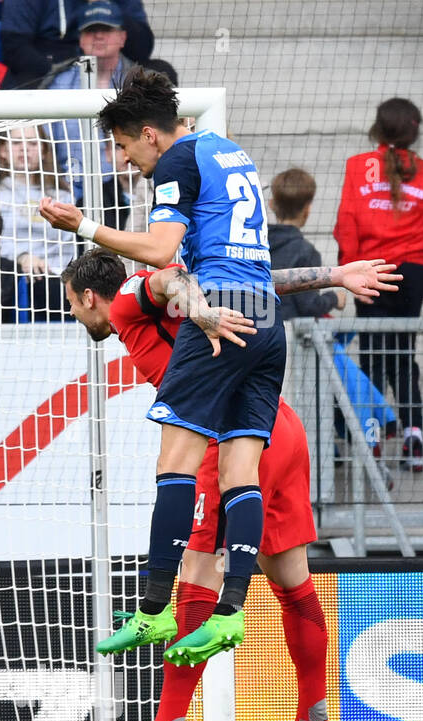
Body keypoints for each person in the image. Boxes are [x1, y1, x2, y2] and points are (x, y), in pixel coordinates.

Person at [60, 250, 400, 721]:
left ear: (88, 297)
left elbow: (170, 275)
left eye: (72, 305)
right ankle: (313, 719)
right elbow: (252, 284)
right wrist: (333, 275)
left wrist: (90, 231)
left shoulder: (133, 300)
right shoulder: (172, 305)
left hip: (229, 441)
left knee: (195, 575)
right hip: (277, 428)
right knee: (292, 582)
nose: (76, 316)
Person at [39, 68, 286, 667]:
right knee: (240, 472)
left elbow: (159, 252)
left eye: (123, 147)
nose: (124, 162)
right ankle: (231, 613)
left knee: (173, 464)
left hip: (220, 315)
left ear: (148, 134)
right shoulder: (228, 149)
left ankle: (153, 610)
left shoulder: (178, 160)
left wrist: (84, 227)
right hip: (267, 317)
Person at [334, 97, 423, 473]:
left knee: (372, 354)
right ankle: (414, 434)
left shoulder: (358, 166)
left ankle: (370, 437)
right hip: (413, 273)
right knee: (403, 353)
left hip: (370, 270)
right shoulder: (421, 169)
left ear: (379, 127)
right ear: (413, 131)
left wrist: (348, 273)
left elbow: (347, 221)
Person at [0, 125, 76, 321]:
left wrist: (50, 270)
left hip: (54, 279)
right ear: (2, 151)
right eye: (17, 142)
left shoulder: (63, 197)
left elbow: (68, 248)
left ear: (44, 151)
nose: (24, 148)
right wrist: (21, 258)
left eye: (33, 143)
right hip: (3, 276)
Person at [47, 3, 137, 226]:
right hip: (68, 192)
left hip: (129, 192)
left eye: (106, 30)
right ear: (80, 39)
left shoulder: (139, 82)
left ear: (123, 37)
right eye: (90, 30)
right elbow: (45, 145)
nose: (98, 36)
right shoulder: (59, 84)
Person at [0, 0, 152, 90]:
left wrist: (106, 7)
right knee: (25, 85)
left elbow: (142, 49)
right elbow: (14, 46)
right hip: (48, 64)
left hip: (112, 61)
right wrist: (55, 74)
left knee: (160, 73)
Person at [268, 168, 344, 322]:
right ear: (307, 210)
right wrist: (334, 298)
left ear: (271, 204)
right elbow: (309, 305)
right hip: (291, 336)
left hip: (259, 332)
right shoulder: (305, 252)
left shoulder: (256, 245)